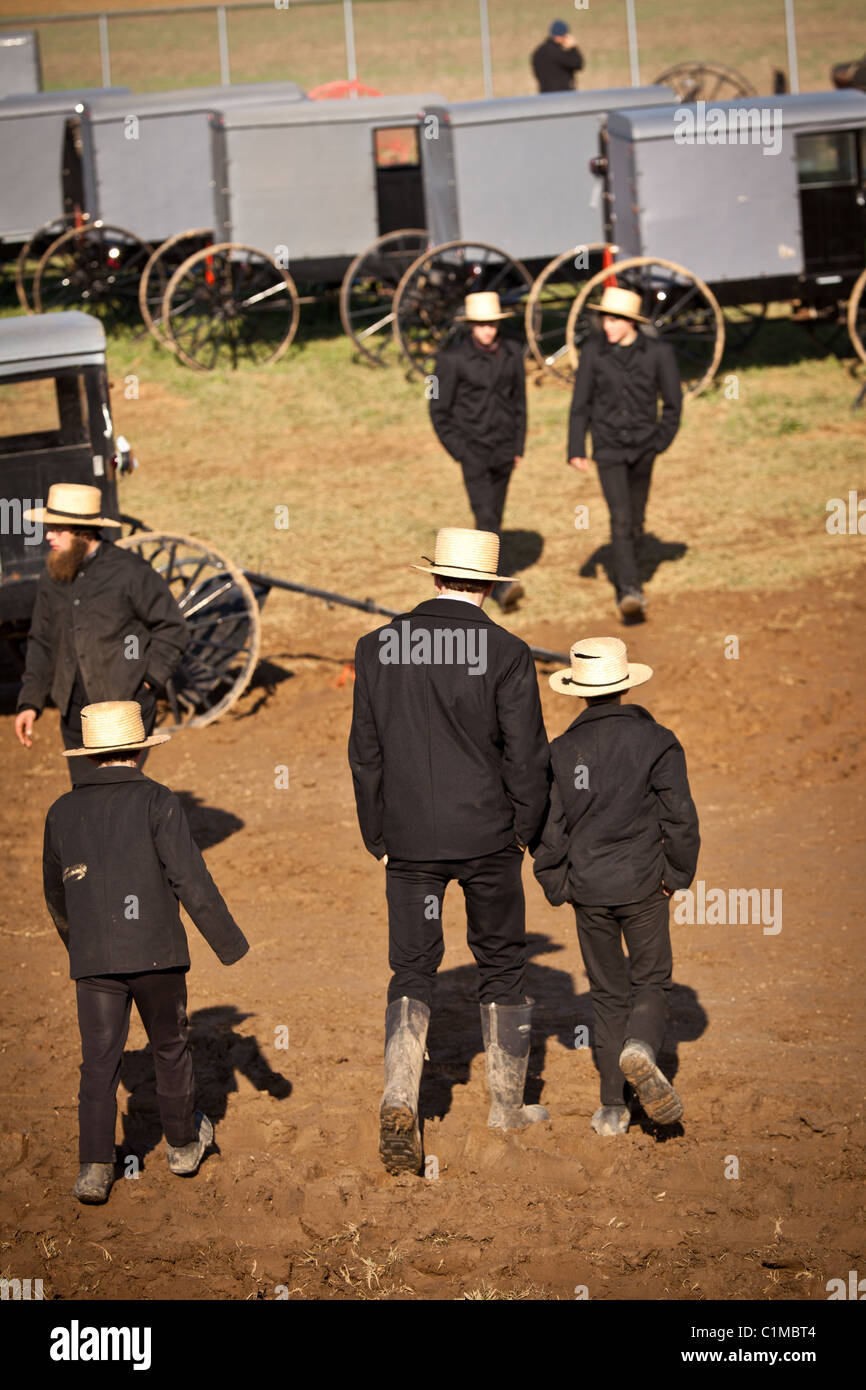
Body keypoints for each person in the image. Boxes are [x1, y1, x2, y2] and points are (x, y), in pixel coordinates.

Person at [348, 527, 552, 1175]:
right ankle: (506, 1107)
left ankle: (400, 1093)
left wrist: (378, 836)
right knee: (502, 963)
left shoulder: (377, 648)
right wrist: (526, 829)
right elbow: (528, 758)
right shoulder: (510, 652)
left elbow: (365, 755)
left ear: (434, 578)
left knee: (411, 969)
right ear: (489, 586)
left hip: (408, 840)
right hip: (489, 837)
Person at [42, 700, 250, 1204]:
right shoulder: (159, 801)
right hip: (158, 953)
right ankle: (181, 1148)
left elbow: (56, 893)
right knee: (171, 1048)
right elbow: (190, 879)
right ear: (140, 750)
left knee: (98, 1062)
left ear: (90, 755)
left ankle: (94, 1167)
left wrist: (81, 945)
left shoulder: (62, 810)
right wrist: (229, 944)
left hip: (93, 961)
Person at [532, 637, 699, 1136]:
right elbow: (681, 819)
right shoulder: (658, 741)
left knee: (606, 994)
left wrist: (558, 884)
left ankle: (610, 1108)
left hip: (589, 892)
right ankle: (641, 1049)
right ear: (625, 686)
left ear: (578, 693)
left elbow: (550, 828)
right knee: (649, 982)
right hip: (646, 886)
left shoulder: (561, 752)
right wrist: (677, 876)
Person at [14, 483, 188, 784]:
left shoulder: (130, 571)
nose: (48, 536)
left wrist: (150, 680)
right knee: (87, 795)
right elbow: (41, 641)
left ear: (84, 533)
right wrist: (30, 703)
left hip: (125, 706)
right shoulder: (52, 575)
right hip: (75, 713)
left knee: (118, 792)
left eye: (57, 529)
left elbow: (172, 626)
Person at [568, 287, 682, 619]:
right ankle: (629, 591)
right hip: (608, 448)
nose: (608, 325)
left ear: (631, 322)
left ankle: (634, 547)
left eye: (615, 319)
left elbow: (673, 403)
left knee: (635, 517)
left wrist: (660, 441)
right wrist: (577, 448)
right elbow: (580, 405)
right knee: (619, 517)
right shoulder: (593, 353)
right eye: (605, 318)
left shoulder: (659, 353)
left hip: (645, 448)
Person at [428, 293, 526, 611]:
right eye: (482, 325)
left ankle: (483, 581)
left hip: (504, 449)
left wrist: (518, 446)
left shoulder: (512, 353)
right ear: (471, 326)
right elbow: (438, 410)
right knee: (485, 516)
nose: (487, 330)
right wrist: (460, 451)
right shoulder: (451, 360)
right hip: (473, 451)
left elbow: (519, 403)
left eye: (492, 324)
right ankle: (495, 587)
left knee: (494, 516)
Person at [531, 19, 584, 93]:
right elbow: (578, 64)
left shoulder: (538, 52)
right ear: (561, 36)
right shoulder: (558, 52)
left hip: (544, 95)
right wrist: (573, 48)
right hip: (563, 95)